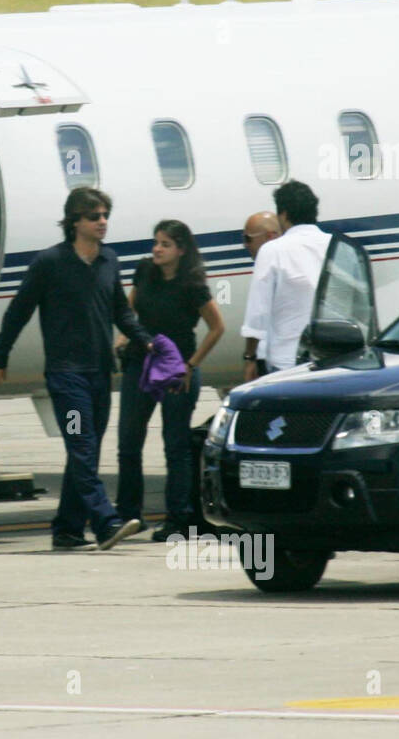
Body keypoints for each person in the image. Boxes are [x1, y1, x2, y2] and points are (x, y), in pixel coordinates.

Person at [0, 186, 152, 552]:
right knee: (81, 445)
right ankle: (106, 522)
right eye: (95, 216)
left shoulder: (109, 260)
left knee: (87, 452)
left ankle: (67, 529)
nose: (103, 222)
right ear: (75, 221)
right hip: (66, 377)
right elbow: (19, 309)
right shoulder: (50, 262)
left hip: (100, 374)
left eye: (105, 215)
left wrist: (145, 340)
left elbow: (120, 311)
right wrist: (0, 354)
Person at [113, 220, 225, 542]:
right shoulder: (145, 271)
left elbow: (217, 328)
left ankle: (177, 519)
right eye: (155, 242)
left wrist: (192, 365)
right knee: (128, 442)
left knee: (174, 445)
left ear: (181, 250)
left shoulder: (193, 285)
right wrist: (124, 336)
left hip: (177, 368)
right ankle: (129, 514)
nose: (157, 249)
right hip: (140, 363)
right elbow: (128, 309)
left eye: (164, 244)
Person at [242, 182, 330, 382]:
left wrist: (249, 358)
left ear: (283, 214)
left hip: (287, 365)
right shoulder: (335, 246)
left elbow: (257, 315)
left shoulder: (272, 250)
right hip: (331, 361)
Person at [240, 211, 281, 376]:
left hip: (270, 359)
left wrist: (249, 357)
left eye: (248, 239)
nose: (245, 245)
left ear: (270, 237)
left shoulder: (266, 261)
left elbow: (256, 318)